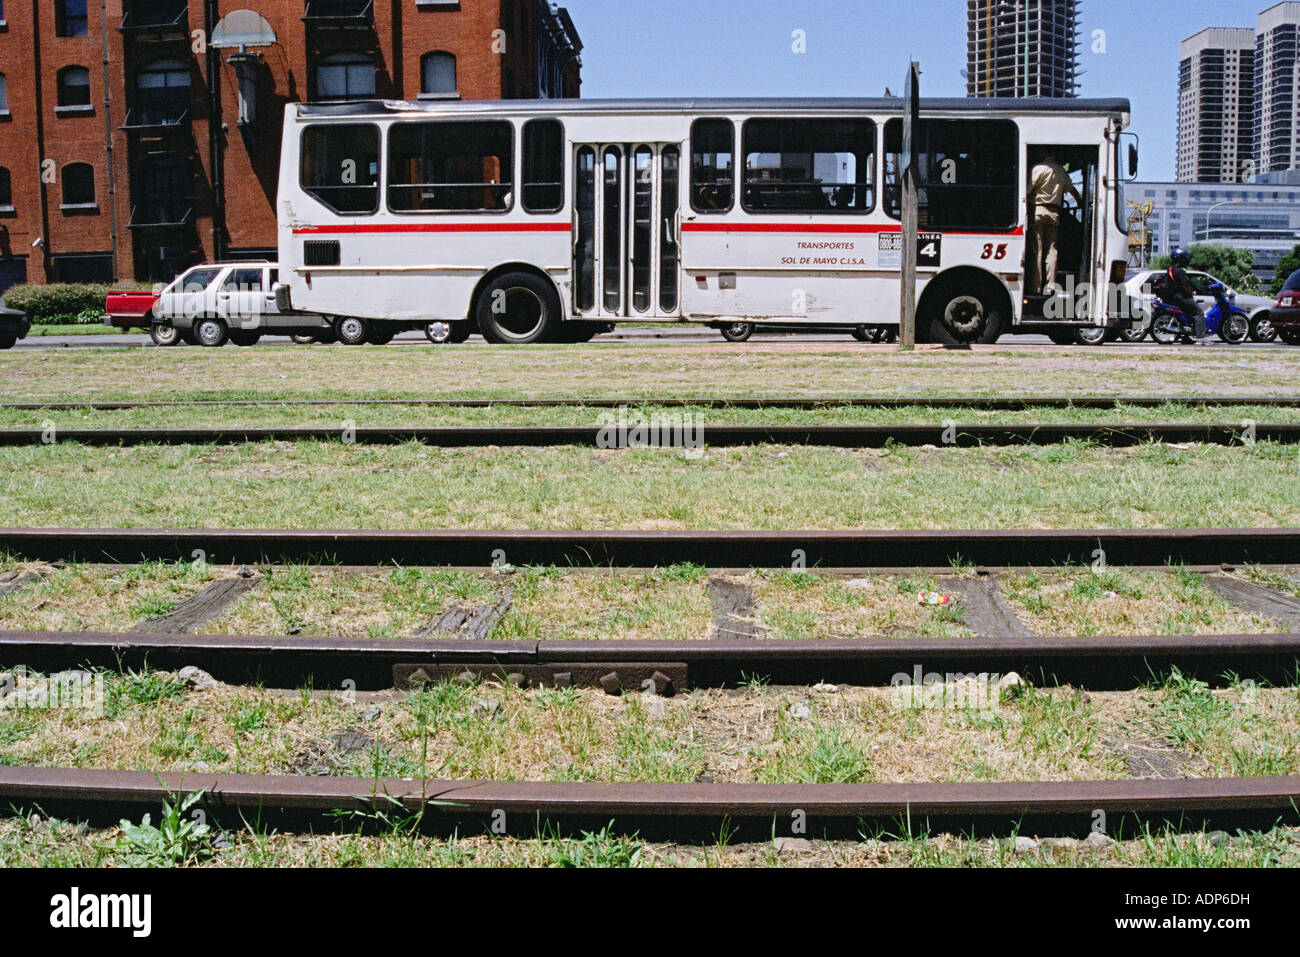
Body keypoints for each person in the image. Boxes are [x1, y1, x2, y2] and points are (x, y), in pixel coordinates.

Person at [1027, 150, 1083, 295]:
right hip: (1054, 213)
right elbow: (1072, 191)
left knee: (1036, 250)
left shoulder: (1038, 169)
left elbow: (1026, 190)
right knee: (1052, 251)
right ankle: (1051, 285)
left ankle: (1036, 287)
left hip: (1037, 211)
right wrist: (1081, 204)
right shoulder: (1061, 171)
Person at [1154, 247, 1212, 344]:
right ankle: (1201, 337)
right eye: (1185, 257)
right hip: (1181, 298)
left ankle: (1186, 337)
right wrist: (1191, 293)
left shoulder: (1171, 269)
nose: (1187, 259)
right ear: (1180, 258)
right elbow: (1185, 285)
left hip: (1174, 298)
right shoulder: (1180, 271)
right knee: (1199, 314)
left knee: (1187, 315)